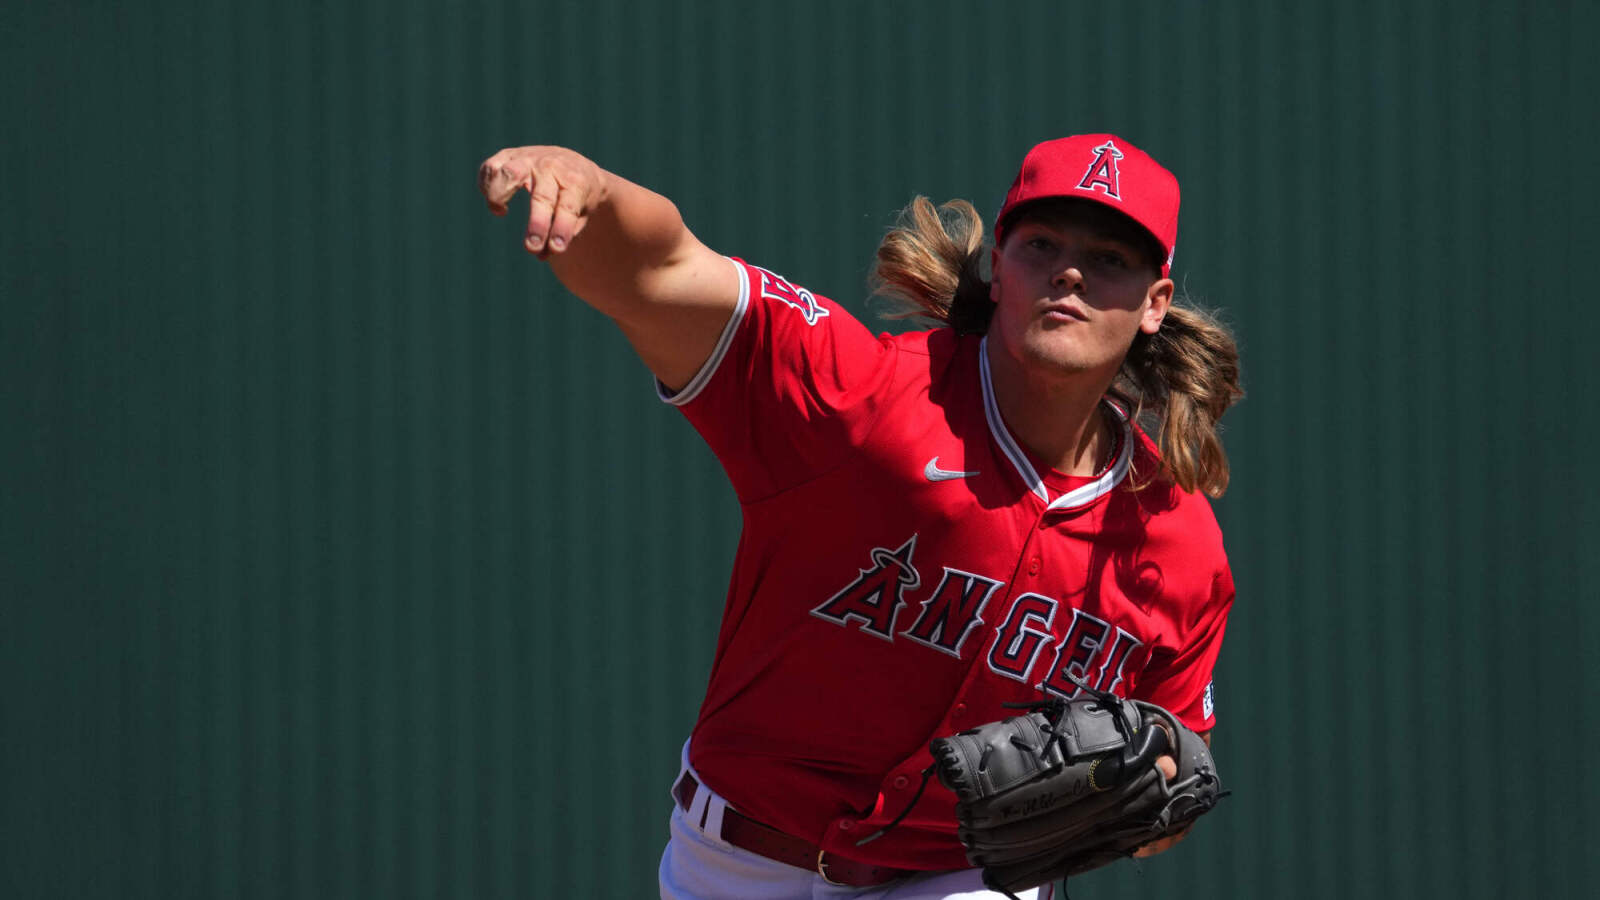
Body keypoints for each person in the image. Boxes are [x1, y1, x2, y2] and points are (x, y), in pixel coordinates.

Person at [477, 134, 1242, 900]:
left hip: (956, 878)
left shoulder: (1175, 542)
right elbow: (668, 269)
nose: (1070, 271)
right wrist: (598, 192)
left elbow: (1171, 788)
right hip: (736, 861)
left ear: (1155, 304)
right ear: (1000, 267)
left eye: (1111, 259)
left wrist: (1160, 773)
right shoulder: (863, 398)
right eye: (1042, 244)